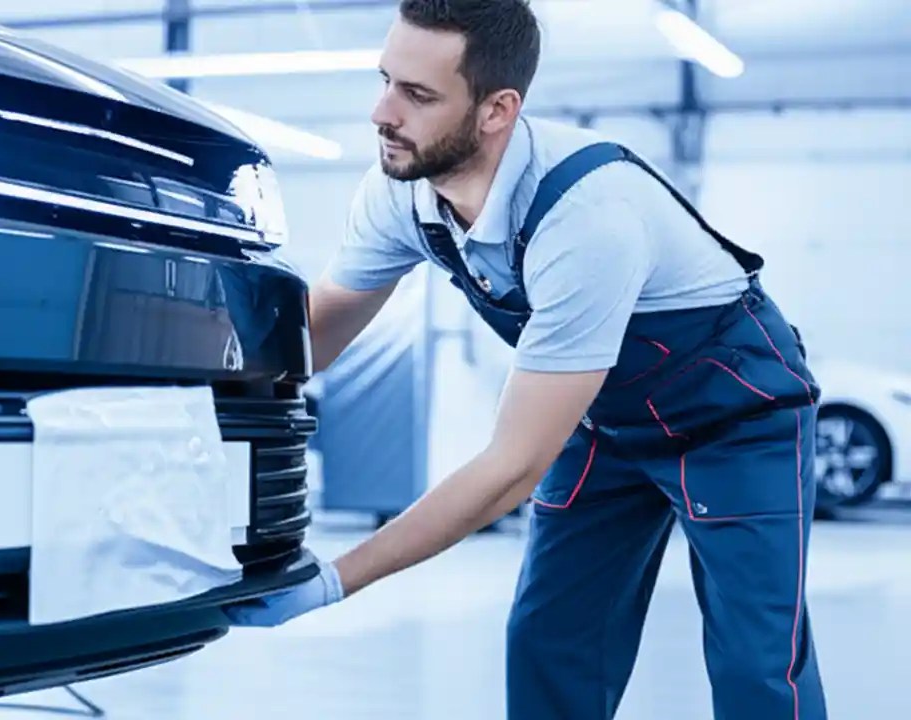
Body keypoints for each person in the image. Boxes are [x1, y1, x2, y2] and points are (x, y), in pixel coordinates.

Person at [222, 1, 829, 719]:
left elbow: (511, 464)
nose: (382, 112)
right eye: (386, 79)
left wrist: (334, 579)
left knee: (756, 663)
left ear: (496, 110)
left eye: (417, 95)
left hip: (733, 419)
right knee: (551, 640)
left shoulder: (586, 217)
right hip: (604, 422)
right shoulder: (401, 193)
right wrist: (177, 406)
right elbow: (307, 345)